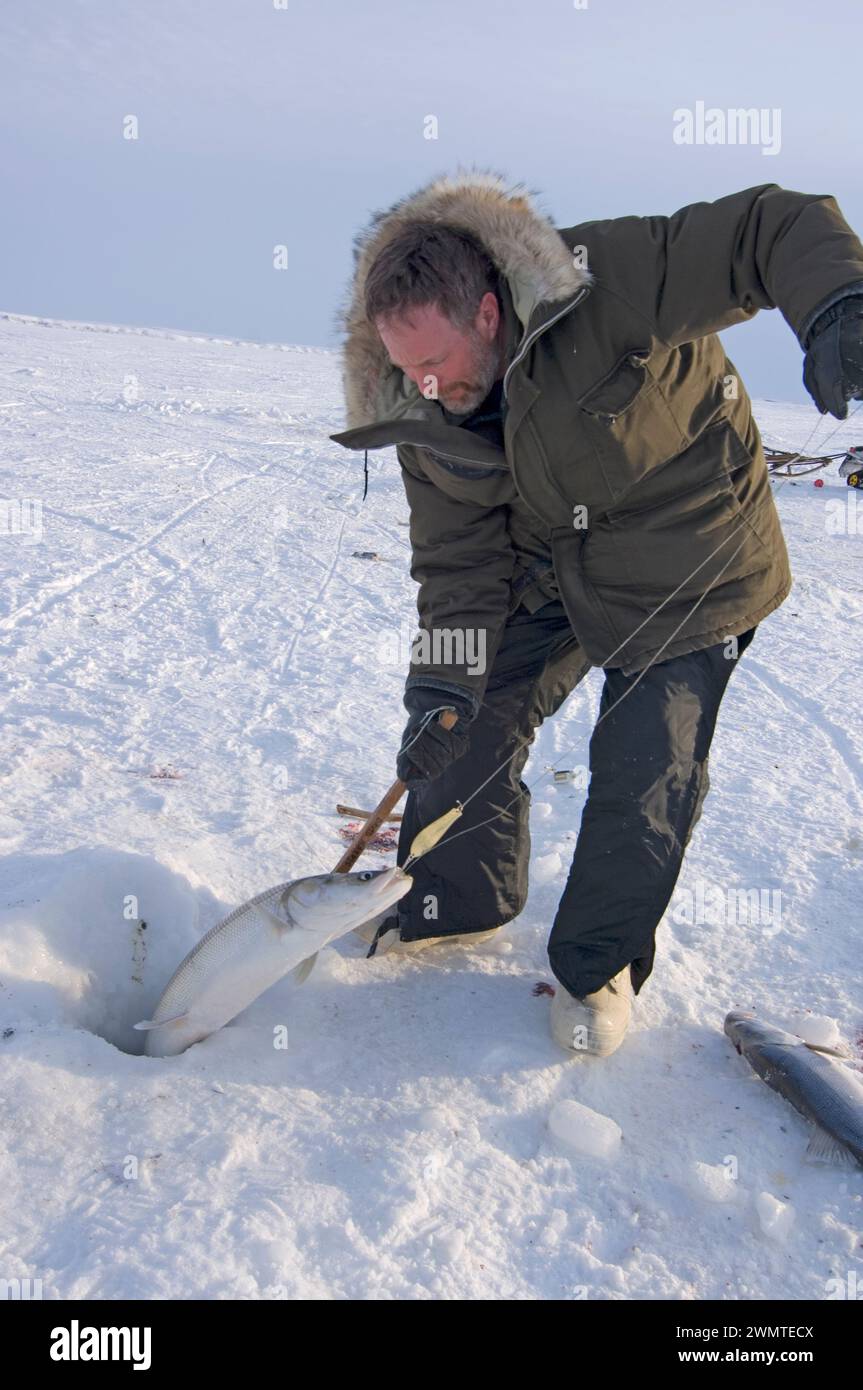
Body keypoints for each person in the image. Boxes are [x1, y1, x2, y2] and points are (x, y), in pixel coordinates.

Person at [329, 169, 863, 1058]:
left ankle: (597, 966)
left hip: (691, 556)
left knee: (644, 762)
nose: (420, 383)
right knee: (469, 717)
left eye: (433, 361)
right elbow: (460, 566)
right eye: (403, 365)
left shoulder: (605, 277)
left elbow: (768, 227)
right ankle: (455, 899)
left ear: (489, 316)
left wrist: (838, 301)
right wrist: (440, 688)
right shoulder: (418, 412)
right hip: (556, 562)